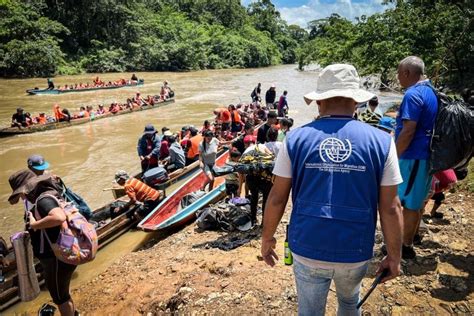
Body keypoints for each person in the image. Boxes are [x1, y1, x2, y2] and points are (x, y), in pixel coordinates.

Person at [261, 64, 403, 315]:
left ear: (319, 103)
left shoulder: (294, 139)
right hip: (355, 249)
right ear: (356, 101)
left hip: (307, 246)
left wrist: (267, 237)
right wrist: (394, 256)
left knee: (310, 310)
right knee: (349, 303)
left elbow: (276, 198)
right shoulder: (383, 141)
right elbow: (391, 207)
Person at [8, 171, 77, 316]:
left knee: (60, 297)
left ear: (26, 189)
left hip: (56, 257)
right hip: (58, 253)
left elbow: (58, 217)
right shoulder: (45, 196)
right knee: (62, 291)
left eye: (21, 193)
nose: (21, 197)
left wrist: (34, 225)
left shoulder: (43, 200)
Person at [395, 56, 438, 259]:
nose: (397, 78)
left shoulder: (412, 95)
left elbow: (408, 131)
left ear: (406, 73)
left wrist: (393, 157)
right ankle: (412, 237)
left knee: (408, 203)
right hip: (425, 155)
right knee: (417, 200)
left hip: (413, 156)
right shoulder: (431, 91)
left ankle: (405, 246)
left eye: (398, 73)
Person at [242, 135, 273, 225]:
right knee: (265, 199)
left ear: (245, 144)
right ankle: (264, 220)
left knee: (254, 198)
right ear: (255, 142)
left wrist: (243, 188)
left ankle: (253, 220)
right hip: (265, 178)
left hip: (252, 178)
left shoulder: (246, 151)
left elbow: (242, 171)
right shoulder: (262, 146)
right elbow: (271, 157)